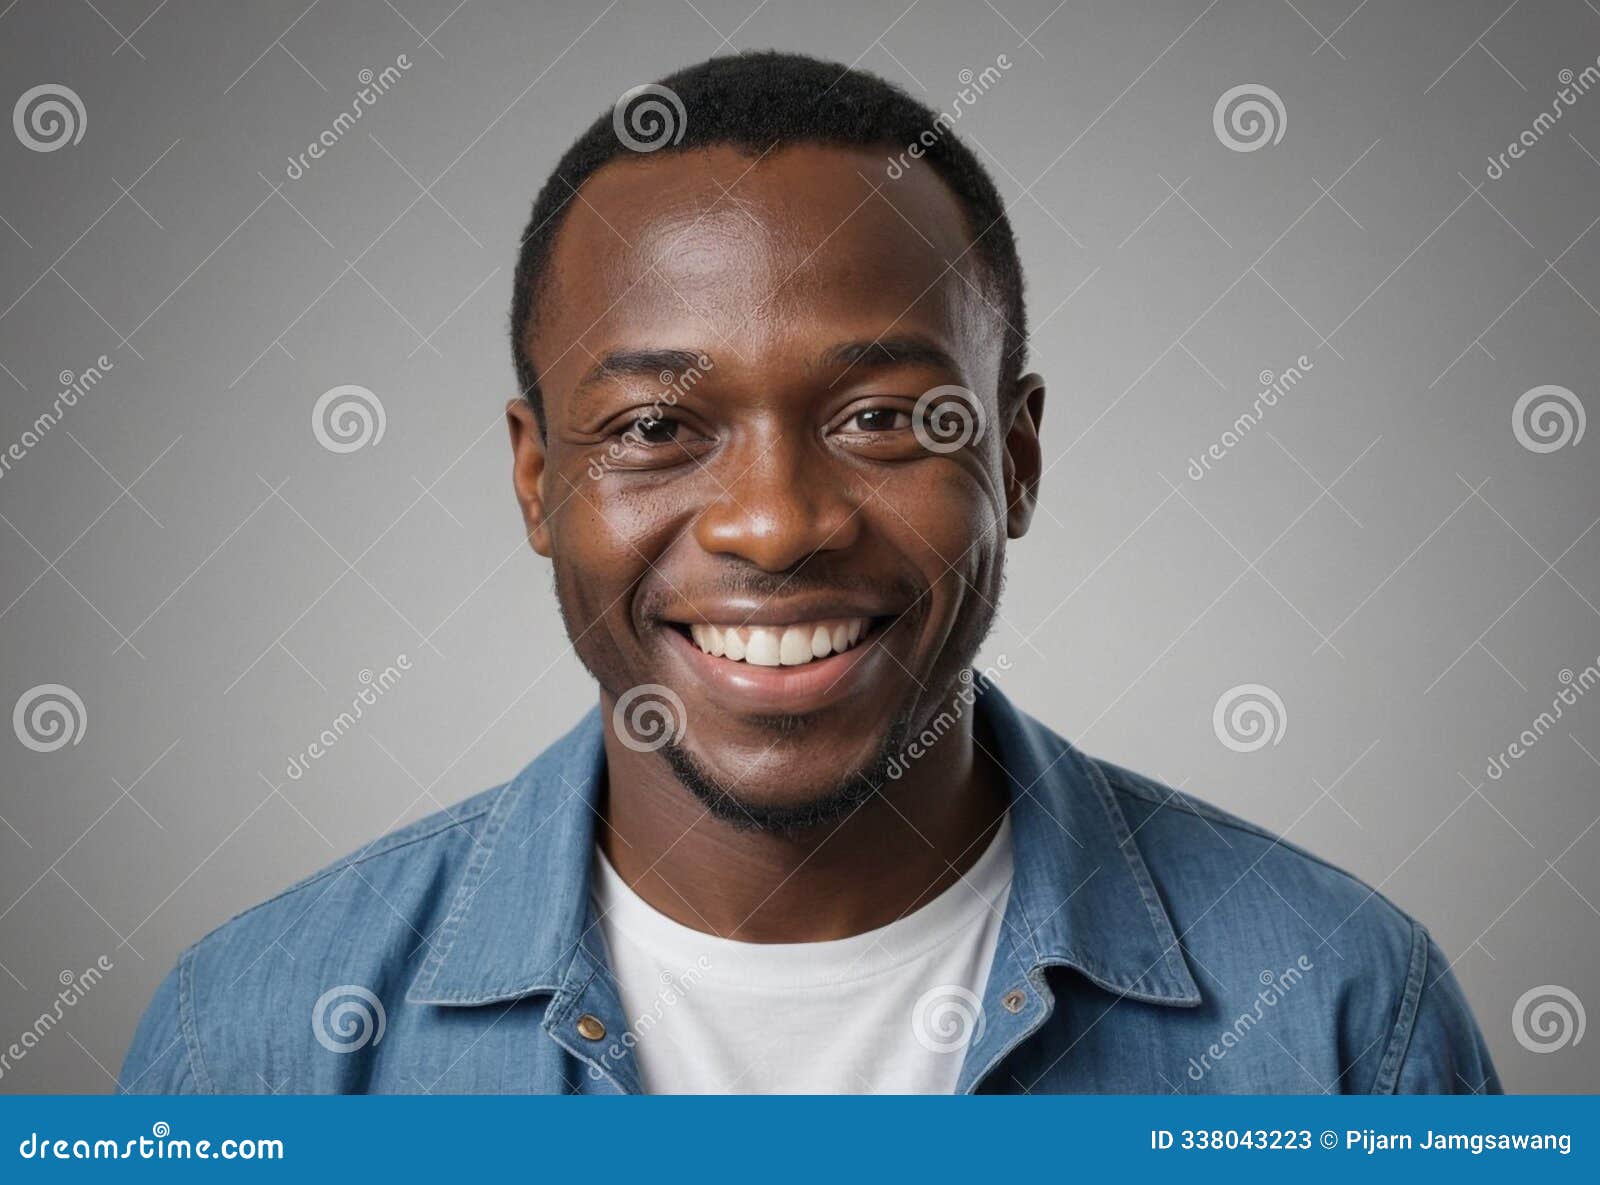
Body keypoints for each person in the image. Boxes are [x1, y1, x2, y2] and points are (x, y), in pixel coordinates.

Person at [121, 52, 1499, 1095]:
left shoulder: (1341, 1019)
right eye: (658, 429)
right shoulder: (250, 1043)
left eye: (884, 419)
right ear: (538, 478)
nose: (776, 525)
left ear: (1015, 459)